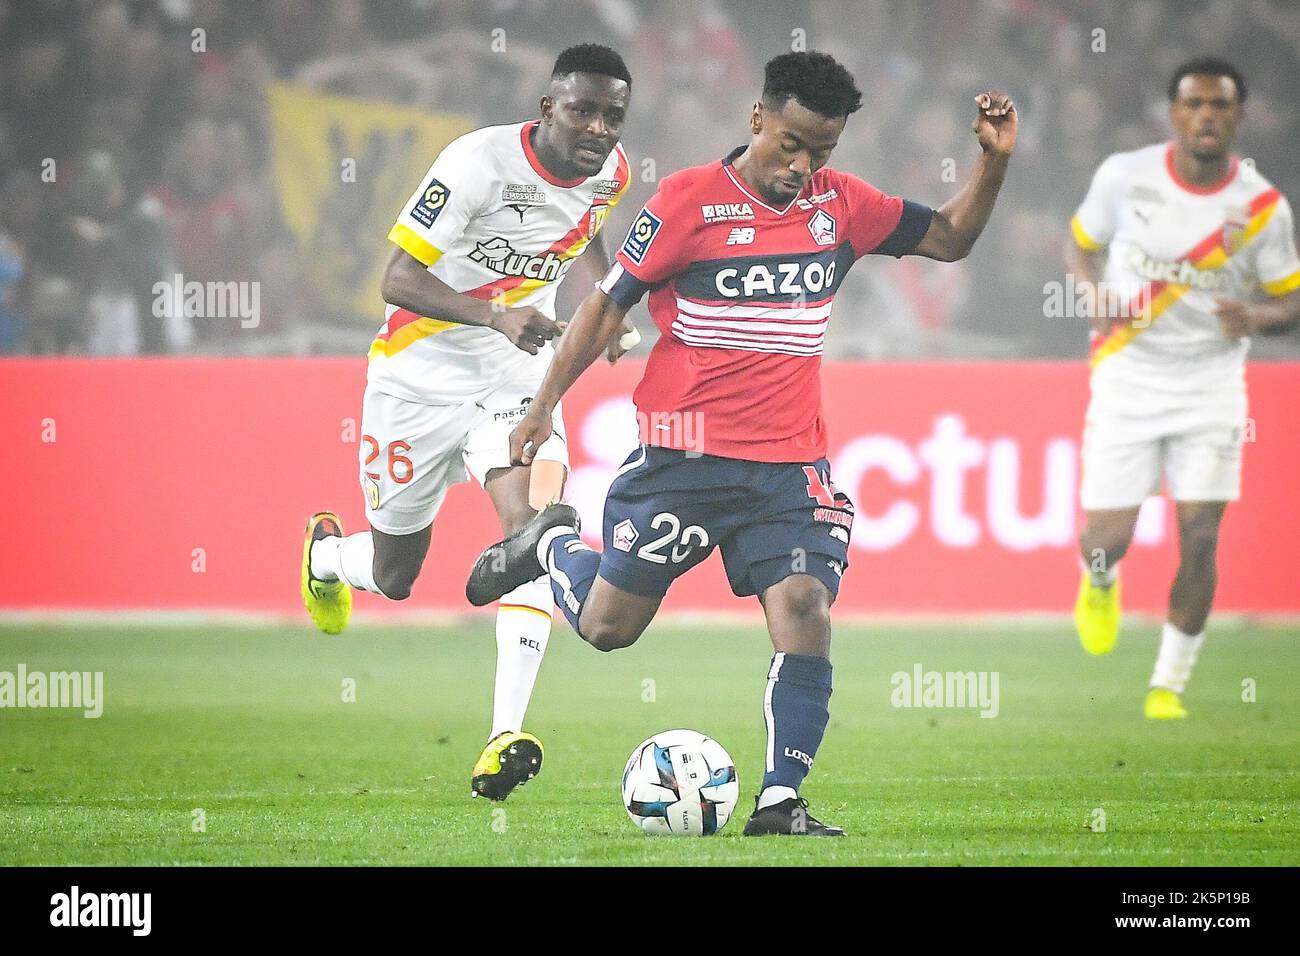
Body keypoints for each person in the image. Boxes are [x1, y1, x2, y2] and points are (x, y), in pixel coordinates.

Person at [466, 51, 1016, 835]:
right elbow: (604, 307)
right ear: (758, 117)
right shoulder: (688, 202)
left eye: (820, 151)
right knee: (606, 630)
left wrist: (993, 163)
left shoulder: (844, 207)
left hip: (789, 466)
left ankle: (780, 801)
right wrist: (543, 403)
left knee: (806, 607)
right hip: (681, 462)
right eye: (789, 144)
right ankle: (551, 545)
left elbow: (953, 237)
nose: (801, 166)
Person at [301, 44, 637, 800]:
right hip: (415, 383)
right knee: (395, 577)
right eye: (583, 109)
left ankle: (501, 737)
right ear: (548, 107)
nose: (598, 127)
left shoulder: (611, 172)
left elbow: (590, 229)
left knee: (534, 532)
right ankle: (327, 558)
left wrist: (605, 308)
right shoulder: (475, 164)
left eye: (613, 114)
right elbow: (395, 277)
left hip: (518, 379)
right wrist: (494, 315)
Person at [1068, 57, 1300, 719]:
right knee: (1109, 537)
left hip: (1211, 387)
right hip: (1127, 375)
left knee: (1200, 536)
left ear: (1238, 117)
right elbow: (1078, 244)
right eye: (1194, 104)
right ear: (1173, 114)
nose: (1206, 115)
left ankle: (1167, 685)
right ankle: (1100, 581)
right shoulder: (1123, 177)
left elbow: (1292, 301)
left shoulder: (1262, 209)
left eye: (1219, 105)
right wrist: (1090, 292)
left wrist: (1257, 316)